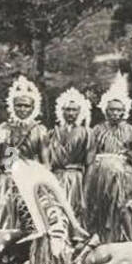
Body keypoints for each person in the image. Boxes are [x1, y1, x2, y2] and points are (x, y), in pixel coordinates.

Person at [85, 73, 132, 243]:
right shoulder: (97, 130)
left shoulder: (131, 131)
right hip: (100, 175)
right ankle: (103, 240)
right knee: (100, 206)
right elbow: (91, 156)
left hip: (122, 176)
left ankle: (125, 239)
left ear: (124, 111)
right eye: (112, 110)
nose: (115, 114)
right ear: (105, 110)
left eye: (119, 110)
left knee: (121, 206)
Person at [0, 76, 46, 228]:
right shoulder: (4, 129)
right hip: (6, 179)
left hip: (29, 179)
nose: (23, 109)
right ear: (12, 106)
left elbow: (46, 162)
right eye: (19, 105)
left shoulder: (39, 131)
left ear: (33, 107)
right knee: (2, 216)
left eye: (26, 106)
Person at [47, 86, 92, 219]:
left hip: (75, 179)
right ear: (61, 111)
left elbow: (90, 165)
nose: (71, 113)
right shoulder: (52, 133)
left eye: (74, 110)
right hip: (56, 178)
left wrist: (85, 191)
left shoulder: (86, 133)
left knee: (73, 213)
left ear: (80, 111)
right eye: (67, 109)